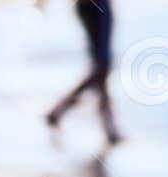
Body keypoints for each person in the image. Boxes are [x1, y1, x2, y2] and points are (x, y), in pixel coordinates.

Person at [44, 0, 121, 146]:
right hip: (93, 6)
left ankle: (107, 124)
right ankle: (60, 110)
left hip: (89, 6)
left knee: (101, 65)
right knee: (102, 65)